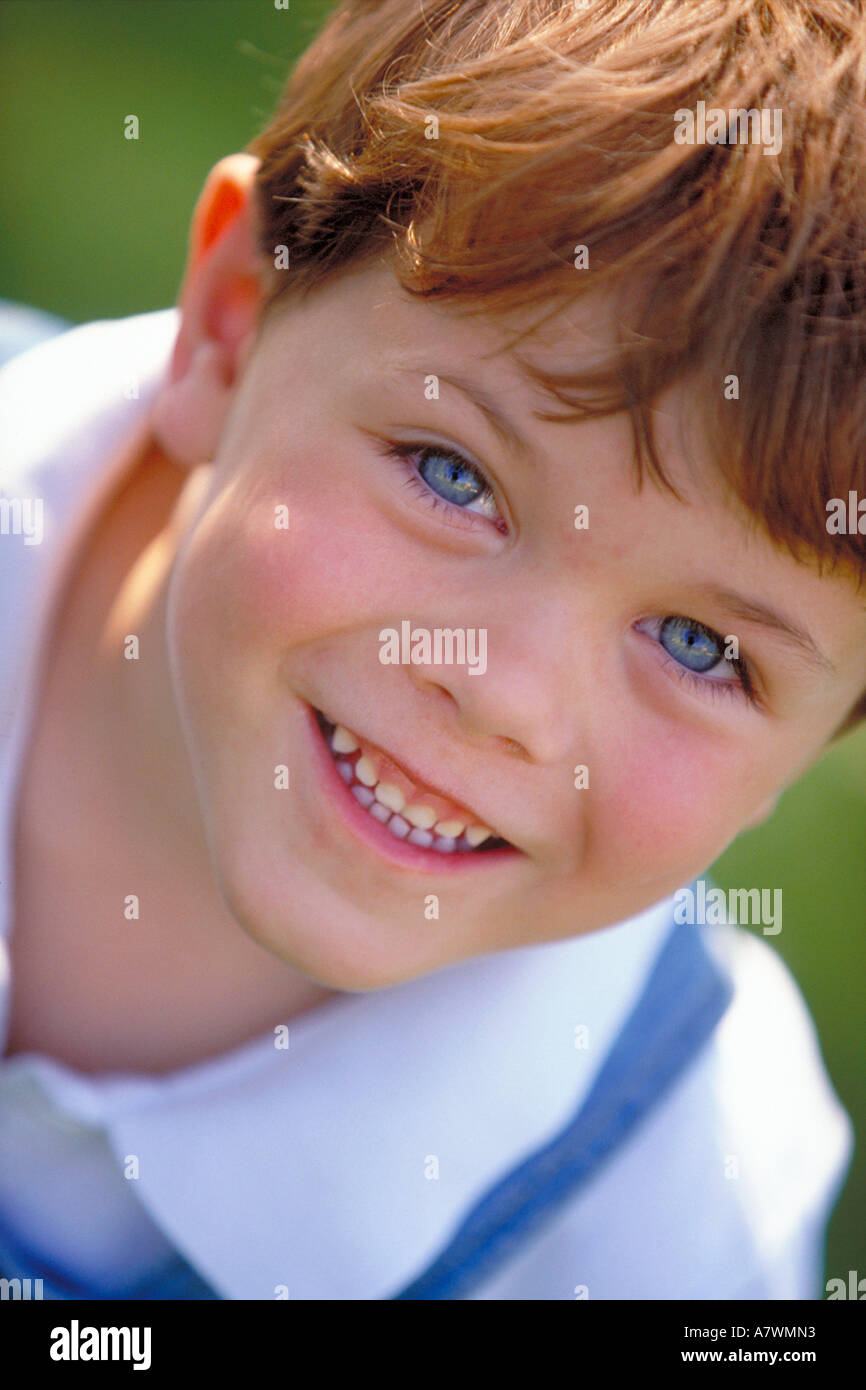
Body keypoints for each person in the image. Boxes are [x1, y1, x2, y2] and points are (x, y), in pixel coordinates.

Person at [0, 0, 861, 1300]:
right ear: (230, 324)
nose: (503, 692)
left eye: (698, 644)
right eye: (451, 475)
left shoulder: (664, 1199)